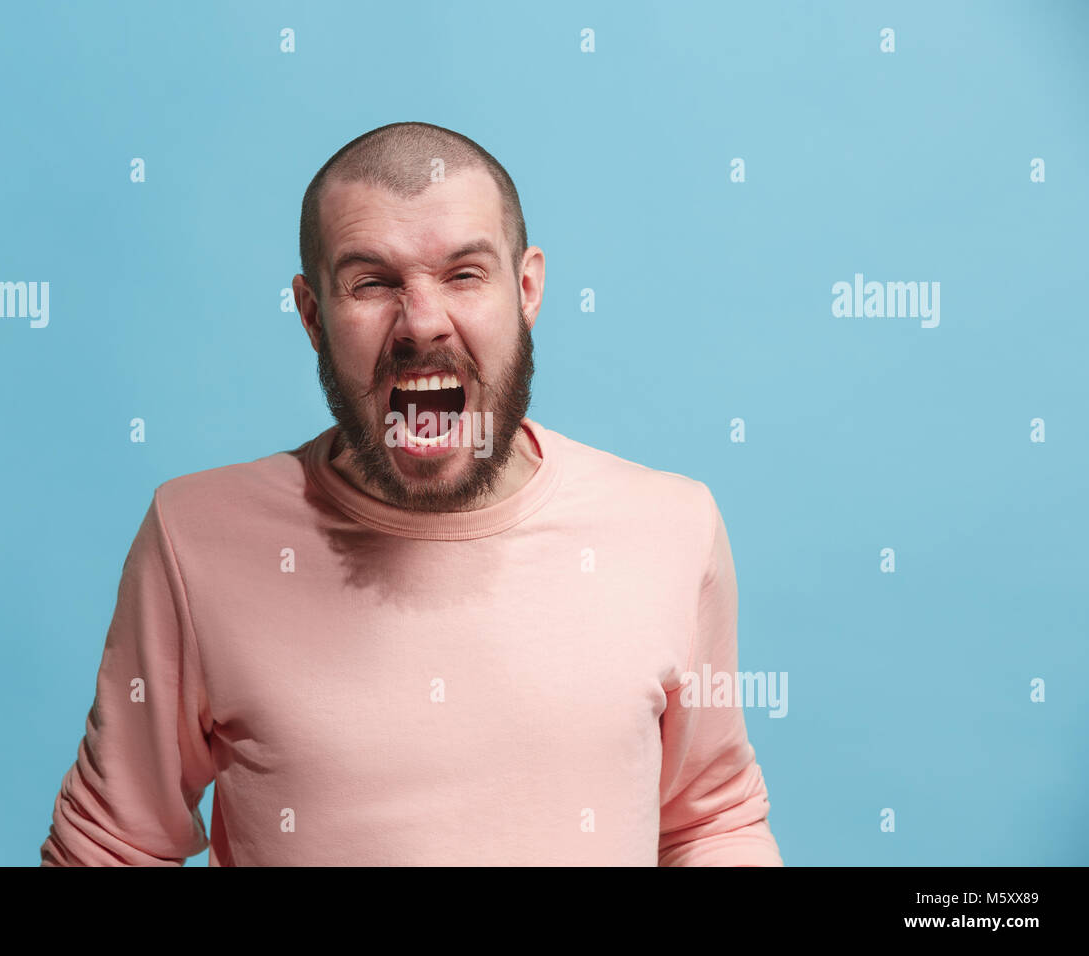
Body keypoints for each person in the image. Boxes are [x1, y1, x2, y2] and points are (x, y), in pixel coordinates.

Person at [39, 122, 783, 866]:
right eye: (372, 282)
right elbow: (110, 847)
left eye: (464, 274)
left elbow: (709, 824)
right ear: (311, 315)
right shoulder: (193, 538)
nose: (421, 322)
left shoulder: (671, 528)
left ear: (527, 290)